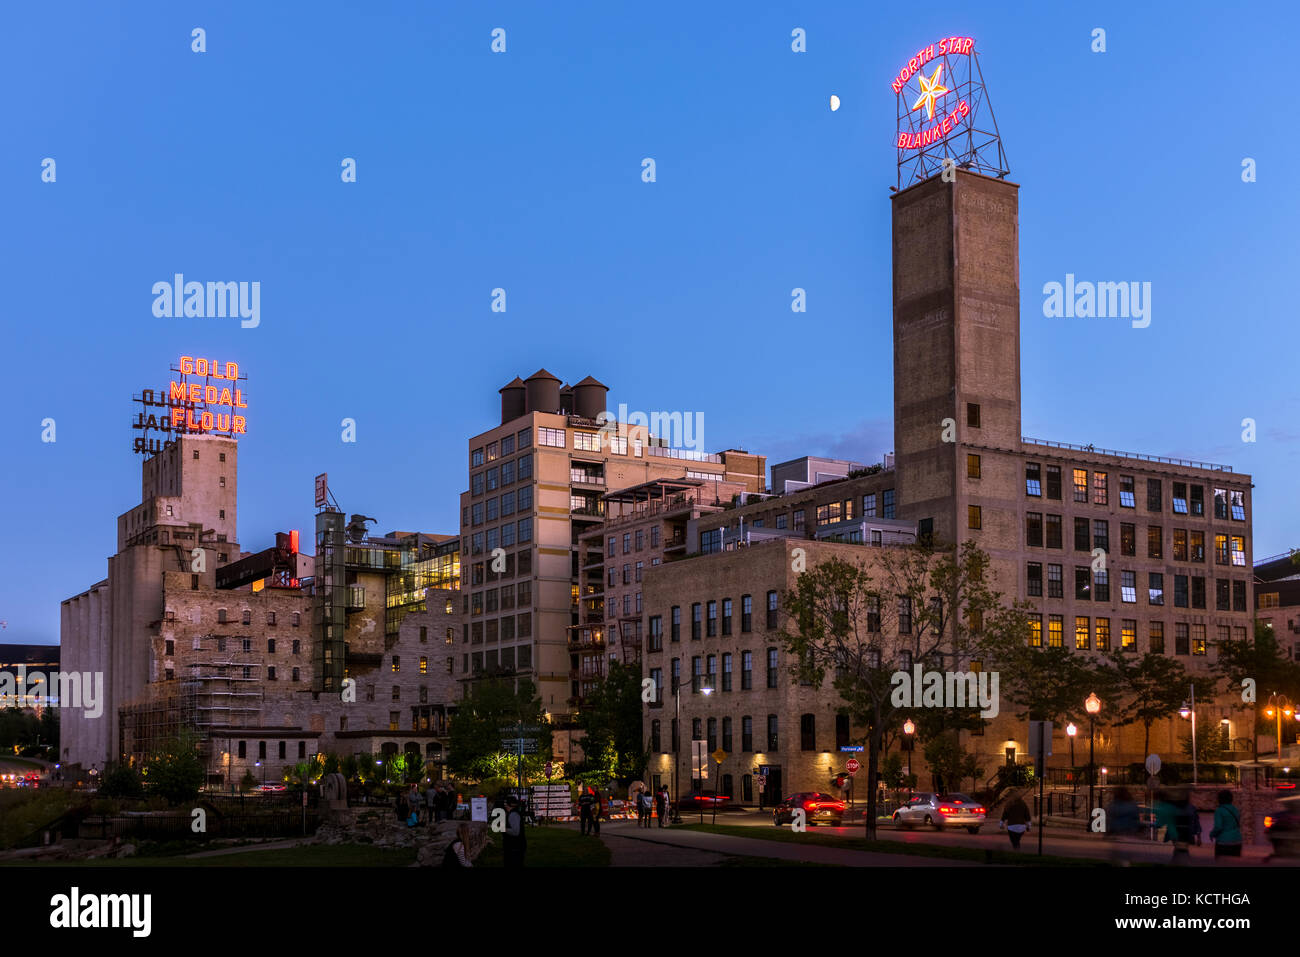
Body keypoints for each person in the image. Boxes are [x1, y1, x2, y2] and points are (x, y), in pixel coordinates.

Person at [1209, 790, 1242, 859]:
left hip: (1223, 842)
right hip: (1237, 840)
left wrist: (1212, 834)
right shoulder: (1235, 809)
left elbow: (1218, 827)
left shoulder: (1219, 811)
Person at [503, 794, 527, 867]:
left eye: (505, 803)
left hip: (515, 847)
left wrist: (503, 829)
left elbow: (515, 832)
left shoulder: (513, 814)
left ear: (510, 804)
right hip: (514, 847)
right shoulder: (512, 813)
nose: (504, 805)